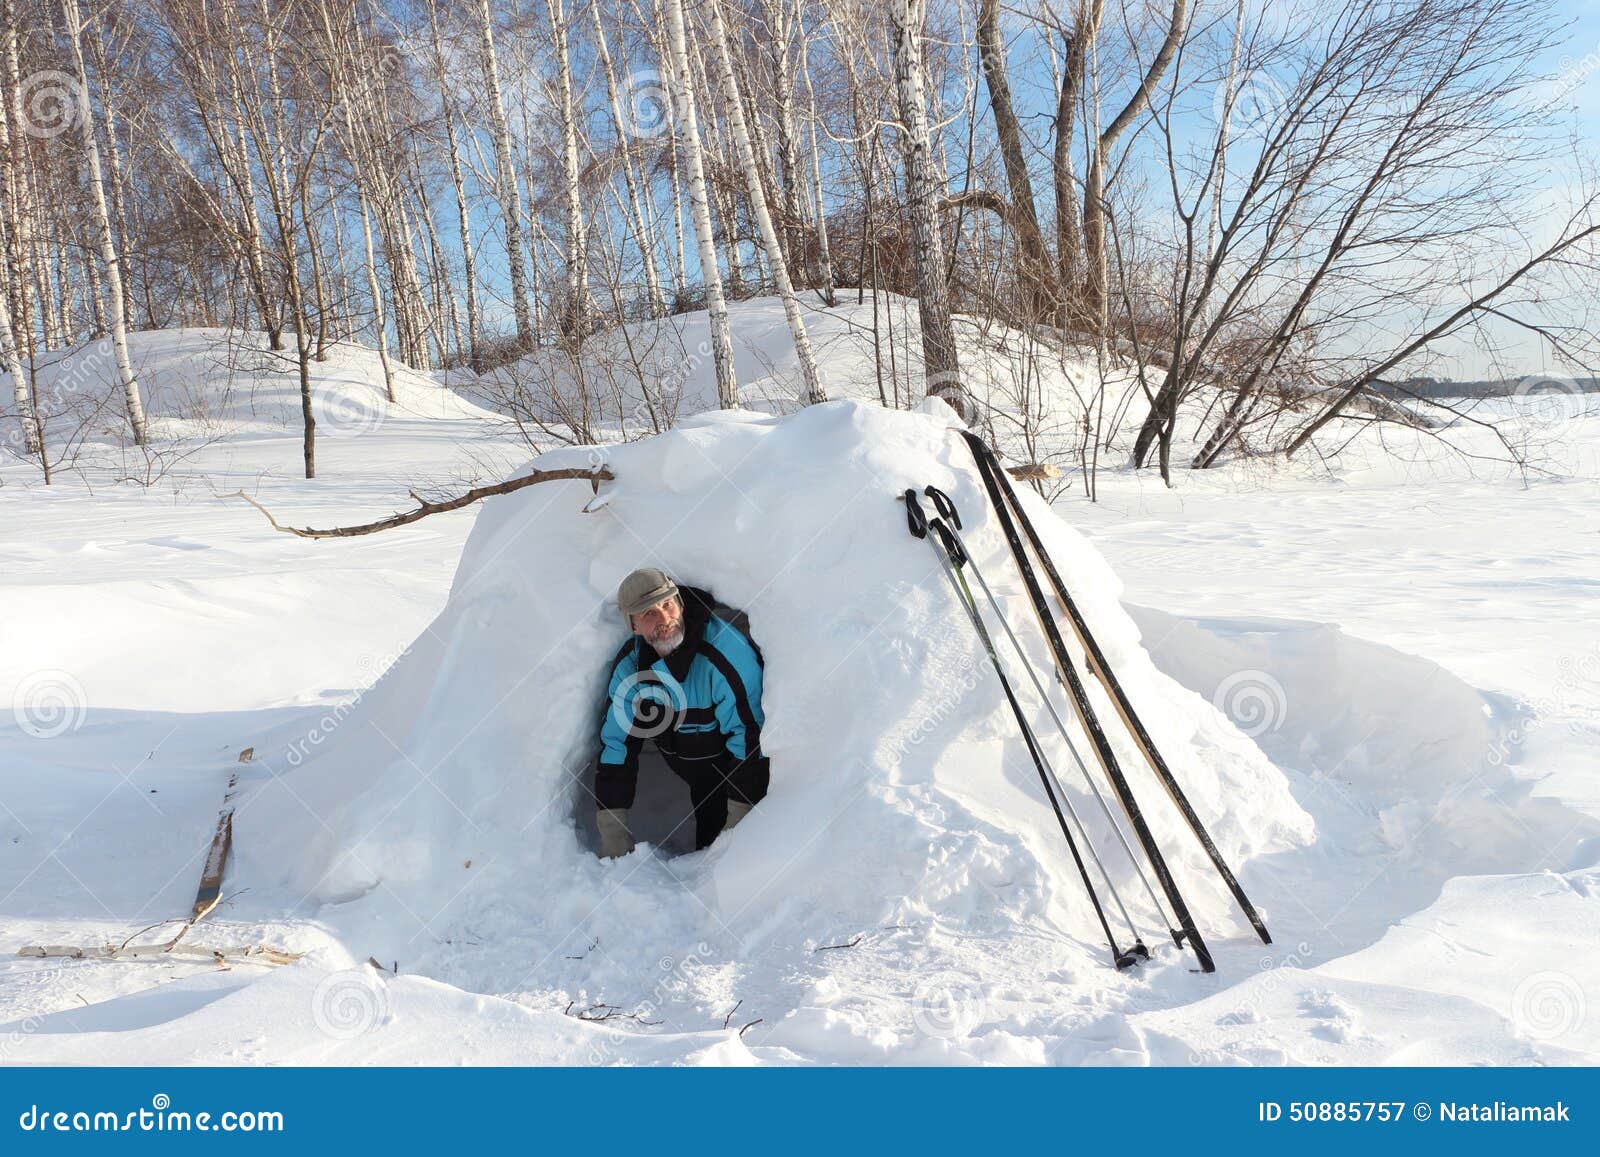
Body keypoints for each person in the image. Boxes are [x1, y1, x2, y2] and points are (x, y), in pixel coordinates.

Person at [593, 568, 768, 858]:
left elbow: (749, 739)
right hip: (699, 775)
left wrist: (737, 831)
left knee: (732, 859)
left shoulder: (724, 655)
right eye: (648, 613)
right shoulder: (631, 670)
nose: (664, 619)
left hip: (739, 774)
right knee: (707, 818)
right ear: (633, 626)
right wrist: (613, 834)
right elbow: (616, 747)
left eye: (667, 604)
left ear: (680, 603)